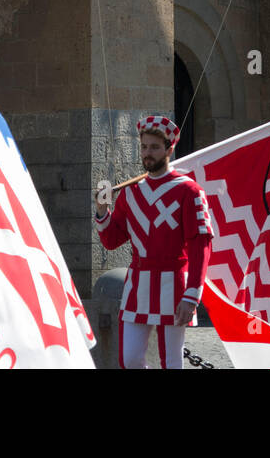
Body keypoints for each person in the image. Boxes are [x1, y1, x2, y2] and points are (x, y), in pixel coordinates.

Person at [95, 115, 214, 369]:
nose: (148, 154)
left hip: (174, 284)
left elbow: (201, 245)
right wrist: (102, 211)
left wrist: (192, 294)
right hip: (138, 285)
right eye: (144, 147)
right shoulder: (130, 192)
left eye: (155, 148)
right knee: (130, 360)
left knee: (171, 362)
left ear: (169, 149)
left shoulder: (190, 191)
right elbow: (112, 240)